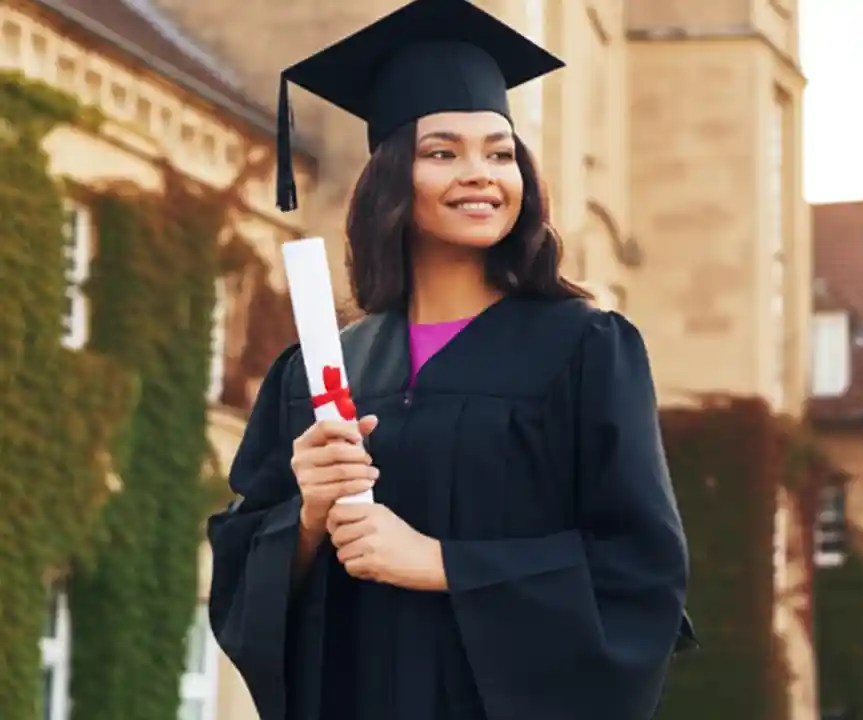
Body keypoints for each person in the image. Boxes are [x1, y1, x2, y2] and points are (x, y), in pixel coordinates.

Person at [205, 1, 696, 719]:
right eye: (443, 152)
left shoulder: (585, 350)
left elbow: (640, 576)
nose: (480, 174)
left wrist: (441, 565)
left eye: (500, 152)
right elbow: (242, 584)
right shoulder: (316, 371)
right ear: (391, 178)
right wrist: (306, 519)